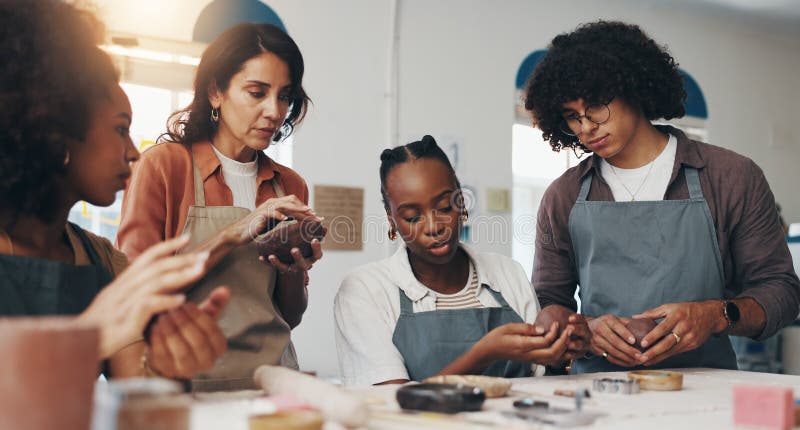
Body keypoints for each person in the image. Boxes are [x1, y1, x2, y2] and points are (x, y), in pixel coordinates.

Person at [524, 21, 800, 373]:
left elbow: (782, 293)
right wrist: (586, 331)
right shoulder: (563, 196)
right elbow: (548, 306)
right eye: (572, 117)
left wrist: (716, 315)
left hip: (706, 393)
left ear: (634, 87)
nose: (586, 127)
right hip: (599, 396)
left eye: (595, 105)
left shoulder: (731, 177)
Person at [0, 0, 229, 376]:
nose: (133, 153)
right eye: (121, 129)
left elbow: (134, 392)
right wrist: (86, 338)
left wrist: (170, 366)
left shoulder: (101, 260)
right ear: (57, 130)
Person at [117, 23, 322, 391]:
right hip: (186, 383)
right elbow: (136, 295)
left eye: (284, 96)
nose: (274, 111)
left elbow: (289, 316)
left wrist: (294, 268)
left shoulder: (290, 185)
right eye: (257, 93)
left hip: (270, 382)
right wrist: (232, 235)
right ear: (215, 92)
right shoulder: (164, 167)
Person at [334, 135, 589, 386]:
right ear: (391, 220)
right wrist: (484, 354)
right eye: (412, 217)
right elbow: (390, 405)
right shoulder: (366, 289)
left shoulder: (507, 273)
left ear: (462, 201)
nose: (434, 226)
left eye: (445, 207)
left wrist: (564, 338)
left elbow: (543, 378)